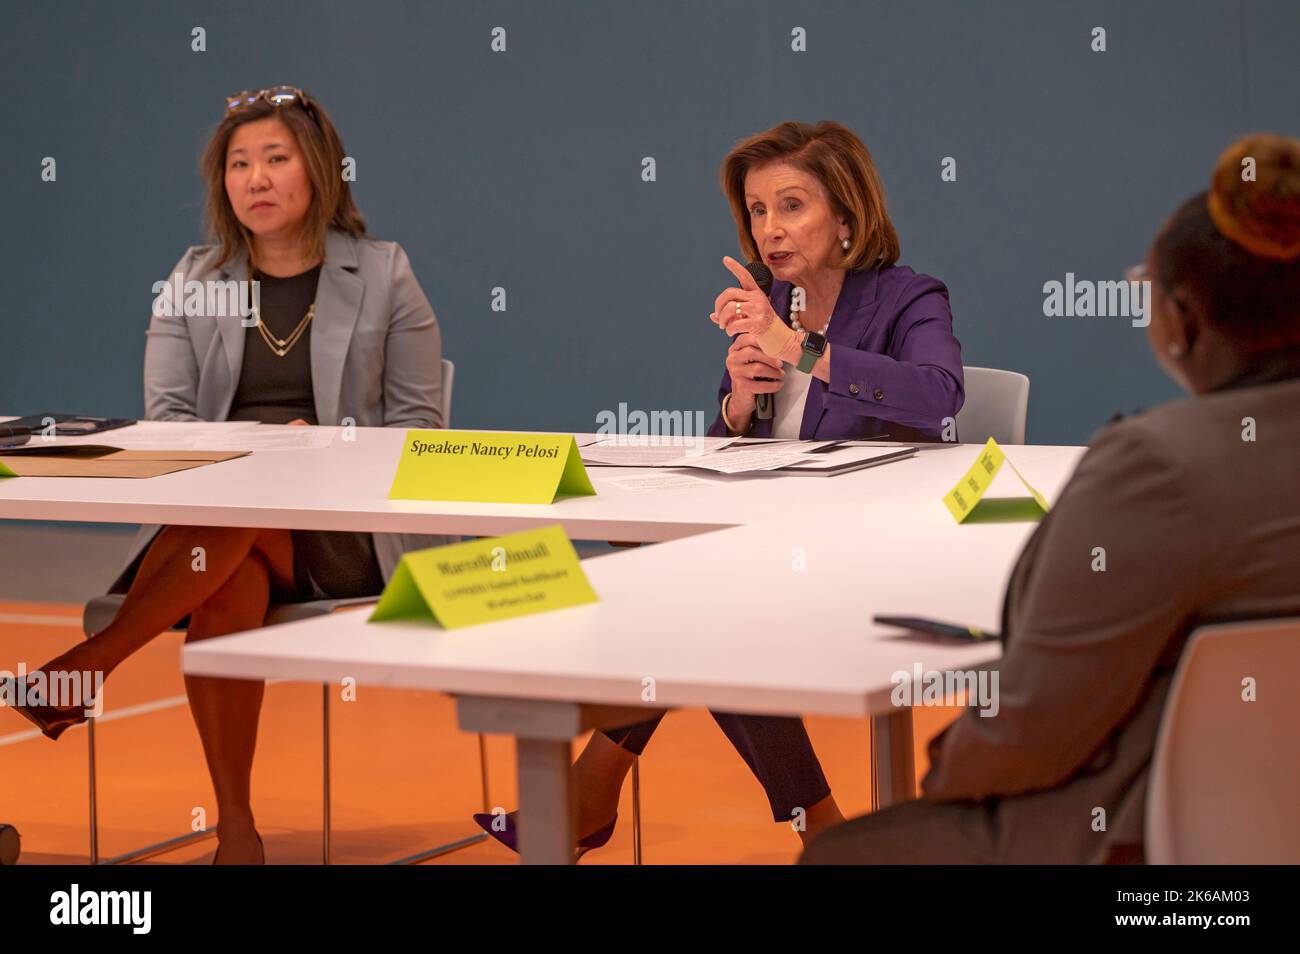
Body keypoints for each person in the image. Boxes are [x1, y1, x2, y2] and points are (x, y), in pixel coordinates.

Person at [801, 132, 1300, 864]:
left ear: (1182, 322)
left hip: (1140, 847)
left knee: (838, 855)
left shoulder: (1154, 469)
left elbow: (1029, 729)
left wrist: (945, 772)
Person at [475, 120, 965, 857]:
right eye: (757, 211)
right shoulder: (772, 300)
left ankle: (597, 793)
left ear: (847, 218)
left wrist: (800, 349)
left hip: (874, 556)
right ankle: (815, 831)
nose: (770, 228)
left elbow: (939, 397)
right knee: (699, 597)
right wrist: (738, 402)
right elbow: (738, 457)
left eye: (792, 205)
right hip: (775, 551)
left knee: (697, 601)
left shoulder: (908, 298)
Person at [7, 86, 446, 864]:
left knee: (243, 530)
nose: (257, 178)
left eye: (276, 159)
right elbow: (164, 422)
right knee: (232, 575)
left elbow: (422, 431)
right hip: (220, 522)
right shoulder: (193, 275)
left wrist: (333, 447)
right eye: (240, 163)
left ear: (319, 172)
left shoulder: (382, 272)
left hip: (338, 530)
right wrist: (259, 451)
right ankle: (237, 830)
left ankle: (92, 665)